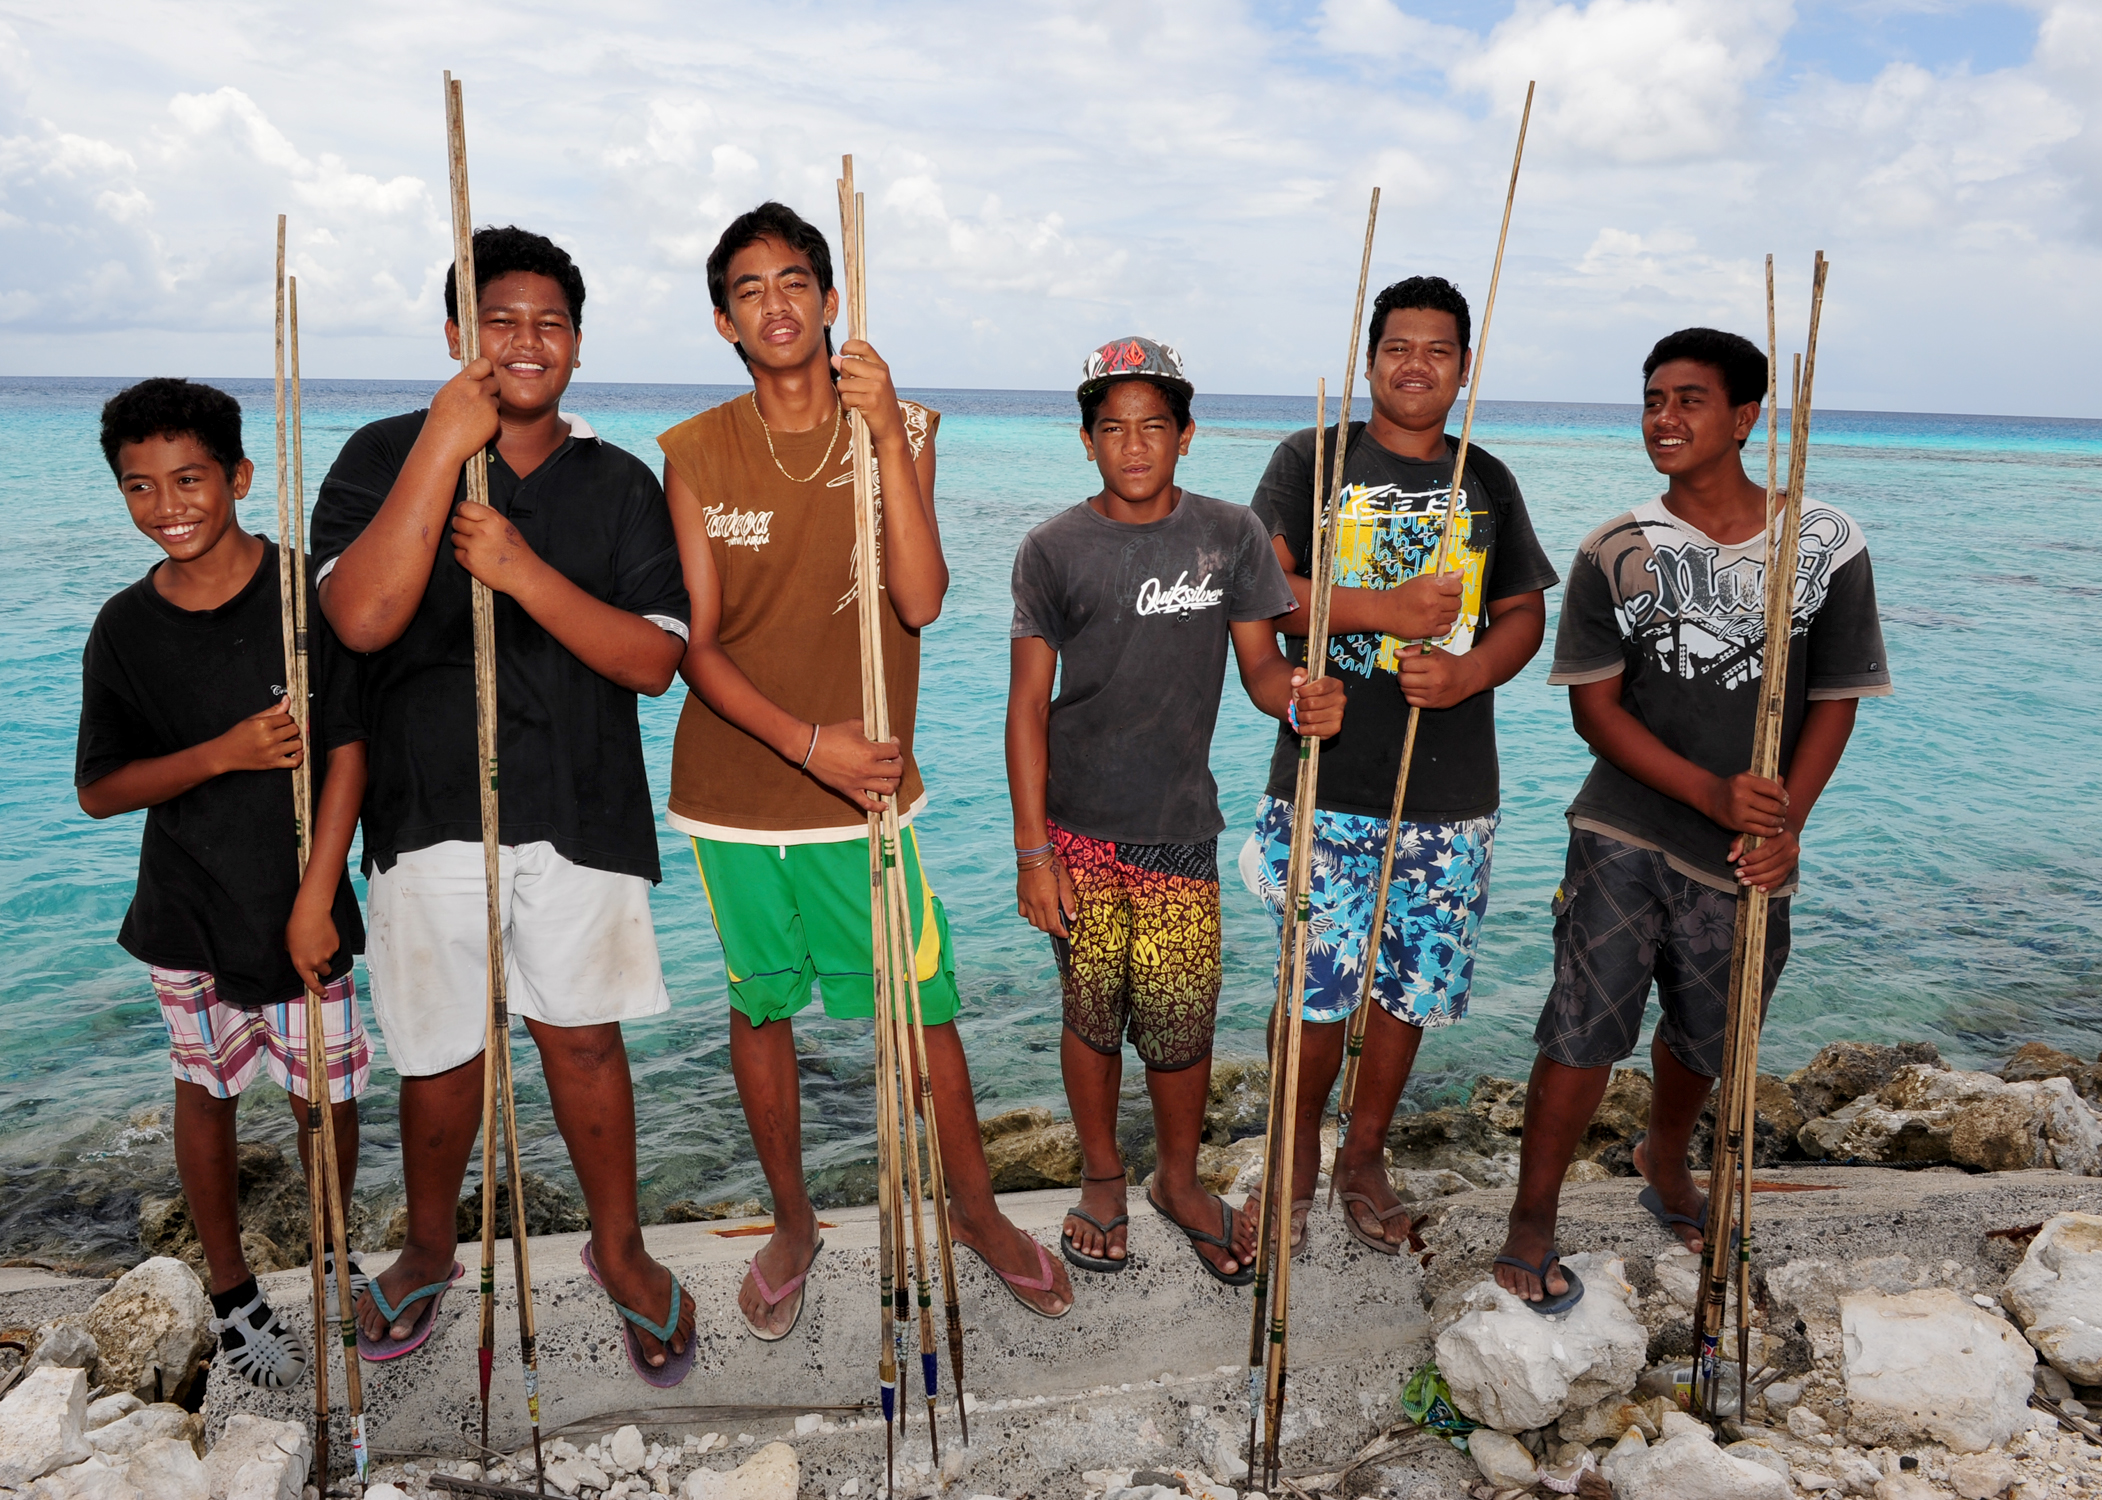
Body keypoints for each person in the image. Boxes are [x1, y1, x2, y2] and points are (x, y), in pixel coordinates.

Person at [659, 200, 1074, 1336]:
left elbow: (922, 599)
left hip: (872, 793)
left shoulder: (901, 424)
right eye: (748, 290)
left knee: (921, 1007)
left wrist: (887, 433)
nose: (775, 304)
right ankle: (793, 1222)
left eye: (795, 281)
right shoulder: (694, 450)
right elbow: (696, 645)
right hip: (739, 790)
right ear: (724, 321)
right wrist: (811, 745)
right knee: (761, 1007)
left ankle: (977, 1214)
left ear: (831, 300)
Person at [314, 227, 698, 1383]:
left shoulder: (617, 481)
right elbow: (360, 617)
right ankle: (431, 1247)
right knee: (439, 1050)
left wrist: (522, 571)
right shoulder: (384, 453)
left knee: (582, 1038)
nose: (526, 341)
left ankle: (619, 1249)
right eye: (499, 320)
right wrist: (444, 446)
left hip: (581, 801)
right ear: (454, 334)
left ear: (577, 342)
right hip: (426, 806)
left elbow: (652, 660)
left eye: (550, 322)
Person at [1493, 327, 1891, 1311]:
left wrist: (1785, 821)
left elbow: (1833, 697)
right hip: (1624, 824)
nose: (1662, 418)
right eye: (1651, 400)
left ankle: (1664, 1161)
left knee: (1711, 1035)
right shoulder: (1614, 551)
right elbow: (1596, 712)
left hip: (1749, 847)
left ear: (1746, 417)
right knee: (1584, 1024)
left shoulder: (1824, 543)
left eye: (1688, 400)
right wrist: (1707, 792)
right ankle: (1531, 1216)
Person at [1006, 338, 1344, 1284]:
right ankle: (1103, 1175)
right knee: (1090, 1013)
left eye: (1153, 426)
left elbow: (1261, 667)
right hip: (1076, 830)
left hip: (1182, 828)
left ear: (1186, 434)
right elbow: (1027, 705)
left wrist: (1298, 699)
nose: (1134, 445)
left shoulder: (1230, 535)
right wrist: (1033, 853)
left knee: (1181, 1018)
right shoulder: (1052, 549)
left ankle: (1178, 1180)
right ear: (1086, 440)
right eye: (1113, 428)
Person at [1250, 276, 1557, 1258]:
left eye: (1437, 350)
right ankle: (1292, 1157)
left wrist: (1469, 673)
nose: (1415, 365)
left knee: (1406, 991)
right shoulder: (1312, 458)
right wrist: (1383, 610)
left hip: (1448, 791)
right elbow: (1263, 591)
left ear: (1463, 368)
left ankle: (1363, 1154)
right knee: (1314, 987)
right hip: (1326, 778)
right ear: (1369, 357)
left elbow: (1523, 612)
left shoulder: (1486, 478)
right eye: (1396, 346)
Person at [77, 378, 370, 1390]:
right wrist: (223, 753)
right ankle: (233, 1290)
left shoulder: (304, 597)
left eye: (189, 478)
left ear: (240, 477)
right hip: (186, 908)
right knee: (206, 1093)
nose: (168, 505)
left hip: (304, 904)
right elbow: (100, 790)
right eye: (140, 486)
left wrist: (317, 896)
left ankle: (332, 1254)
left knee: (325, 1097)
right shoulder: (125, 627)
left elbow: (349, 751)